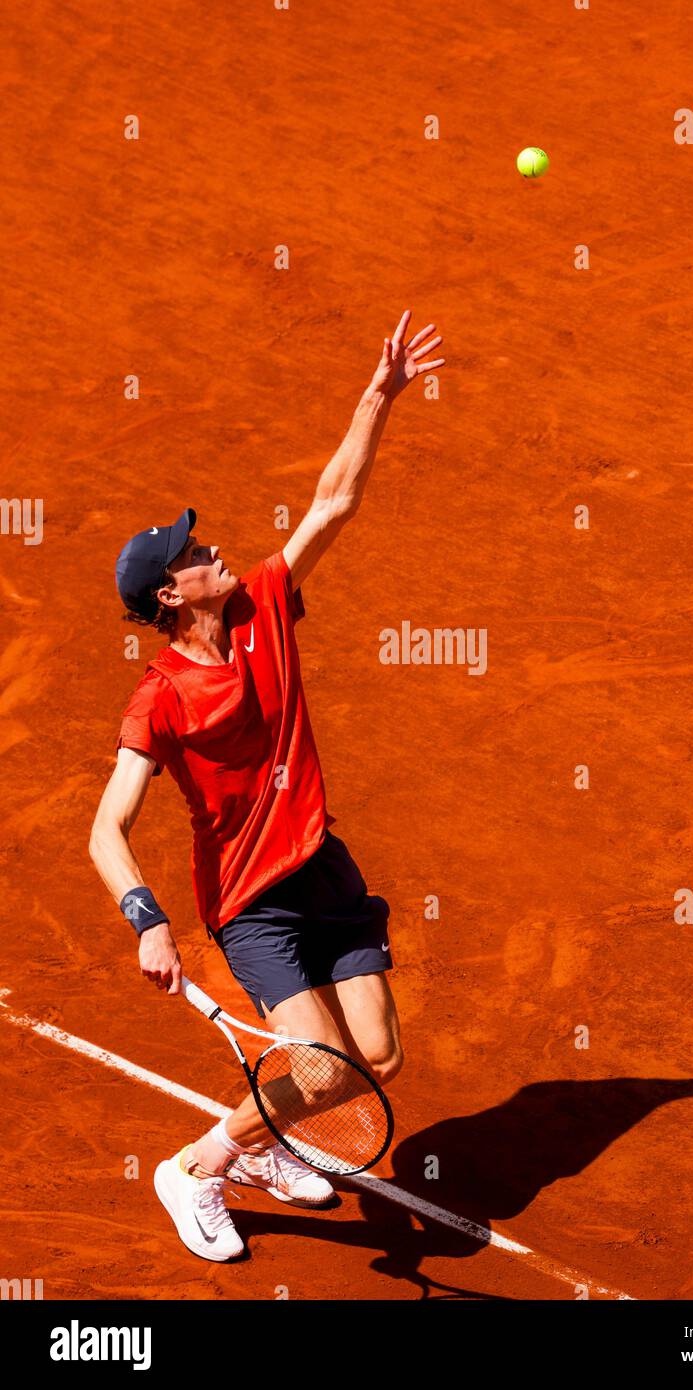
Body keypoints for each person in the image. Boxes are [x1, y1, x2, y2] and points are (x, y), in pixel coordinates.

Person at [89, 311, 445, 1260]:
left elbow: (332, 504)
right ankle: (198, 1166)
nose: (210, 553)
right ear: (170, 595)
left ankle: (254, 1148)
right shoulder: (157, 699)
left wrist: (380, 394)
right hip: (253, 905)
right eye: (190, 555)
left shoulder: (260, 609)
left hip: (319, 866)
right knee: (324, 1071)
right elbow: (107, 827)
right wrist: (147, 918)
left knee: (376, 1058)